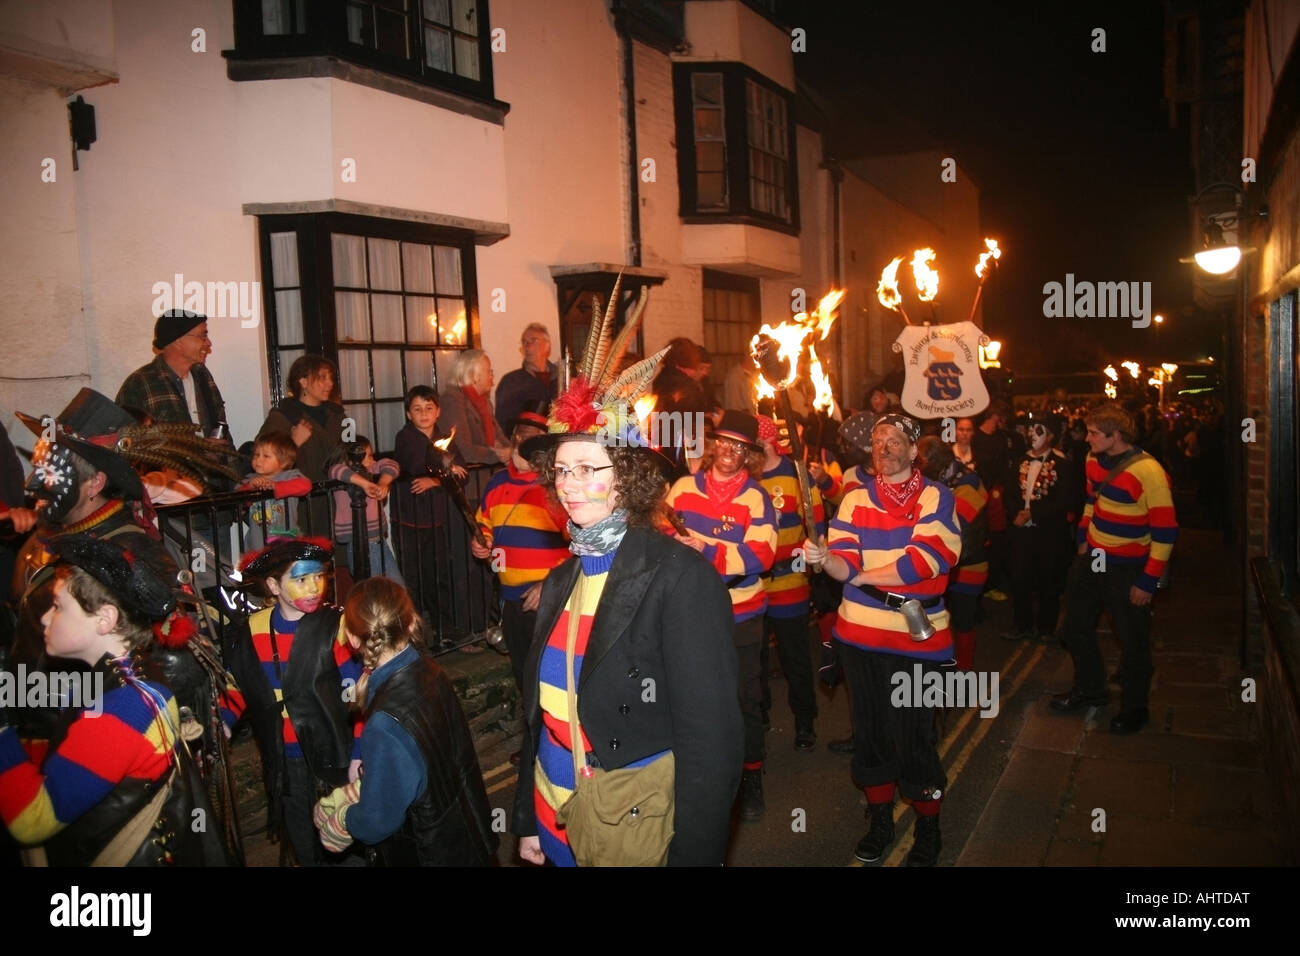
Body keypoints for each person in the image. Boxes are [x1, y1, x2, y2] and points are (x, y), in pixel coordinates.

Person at [511, 294, 742, 867]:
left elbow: (710, 741)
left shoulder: (679, 577)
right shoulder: (562, 578)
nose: (569, 483)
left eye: (588, 468)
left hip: (628, 824)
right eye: (562, 469)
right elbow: (541, 718)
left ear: (628, 479)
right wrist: (528, 818)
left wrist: (694, 856)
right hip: (556, 812)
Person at [0, 534, 222, 866]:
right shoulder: (125, 676)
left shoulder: (124, 707)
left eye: (59, 607)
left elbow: (32, 821)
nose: (45, 618)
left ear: (105, 619)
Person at [803, 413, 961, 867]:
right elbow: (842, 565)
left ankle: (929, 825)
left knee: (915, 737)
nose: (884, 447)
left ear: (915, 451)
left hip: (917, 643)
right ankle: (880, 820)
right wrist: (827, 559)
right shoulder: (853, 499)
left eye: (894, 441)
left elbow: (925, 561)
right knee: (870, 735)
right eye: (877, 441)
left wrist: (858, 575)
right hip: (859, 639)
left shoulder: (937, 497)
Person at [311, 577, 497, 865]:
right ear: (411, 624)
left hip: (429, 853)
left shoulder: (385, 724)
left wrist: (345, 817)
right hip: (466, 836)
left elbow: (377, 823)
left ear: (352, 638)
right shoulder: (430, 670)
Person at [220, 538, 364, 865]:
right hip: (284, 763)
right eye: (300, 580)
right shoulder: (253, 629)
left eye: (319, 577)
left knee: (344, 846)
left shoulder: (337, 625)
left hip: (334, 759)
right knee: (303, 844)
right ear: (274, 585)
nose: (314, 587)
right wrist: (223, 722)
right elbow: (240, 685)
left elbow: (359, 695)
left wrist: (358, 754)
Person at [666, 410, 777, 822]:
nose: (729, 452)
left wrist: (706, 551)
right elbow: (661, 535)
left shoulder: (756, 498)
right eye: (724, 442)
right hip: (690, 611)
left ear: (749, 455)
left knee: (743, 700)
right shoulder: (681, 488)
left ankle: (751, 778)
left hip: (741, 613)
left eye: (740, 447)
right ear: (712, 445)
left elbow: (761, 555)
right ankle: (695, 775)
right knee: (689, 697)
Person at [1052, 404, 1178, 735]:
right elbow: (1093, 501)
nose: (1086, 437)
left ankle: (1135, 709)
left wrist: (1148, 582)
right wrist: (1083, 539)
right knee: (1073, 627)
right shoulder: (1093, 459)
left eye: (1094, 433)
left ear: (1116, 436)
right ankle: (1091, 689)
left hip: (1130, 565)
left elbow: (1166, 531)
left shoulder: (1148, 471)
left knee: (1132, 640)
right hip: (1094, 556)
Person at [470, 410, 570, 695]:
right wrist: (481, 542)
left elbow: (579, 546)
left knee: (550, 678)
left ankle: (550, 735)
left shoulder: (556, 490)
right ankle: (532, 735)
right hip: (510, 600)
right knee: (523, 677)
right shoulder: (497, 482)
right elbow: (484, 523)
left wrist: (550, 584)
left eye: (530, 443)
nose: (522, 448)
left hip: (545, 600)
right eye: (519, 440)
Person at [756, 414, 824, 752]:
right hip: (752, 587)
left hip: (790, 583)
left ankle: (805, 721)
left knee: (794, 656)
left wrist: (811, 557)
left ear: (766, 442)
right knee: (756, 659)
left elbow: (819, 527)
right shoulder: (745, 478)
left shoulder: (796, 476)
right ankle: (760, 715)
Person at [391, 386, 466, 636]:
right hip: (411, 519)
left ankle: (445, 629)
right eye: (417, 409)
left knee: (440, 574)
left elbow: (462, 473)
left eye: (429, 408)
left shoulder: (446, 436)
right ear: (408, 414)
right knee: (414, 577)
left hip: (438, 518)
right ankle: (417, 632)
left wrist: (435, 481)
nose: (423, 414)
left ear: (438, 412)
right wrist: (445, 470)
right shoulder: (406, 437)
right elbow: (417, 464)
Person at [1005, 414, 1077, 644]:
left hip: (1049, 533)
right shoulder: (1018, 461)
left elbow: (1067, 499)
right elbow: (1008, 492)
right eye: (1030, 429)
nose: (1031, 434)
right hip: (1021, 531)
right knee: (1020, 579)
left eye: (1038, 430)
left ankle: (1046, 628)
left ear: (1051, 436)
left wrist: (1033, 513)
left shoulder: (1063, 464)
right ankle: (1022, 625)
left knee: (1049, 580)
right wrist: (1015, 513)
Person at [918, 437, 988, 672]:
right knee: (937, 618)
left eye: (922, 460)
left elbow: (958, 523)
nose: (918, 465)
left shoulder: (969, 481)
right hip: (943, 563)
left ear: (935, 460)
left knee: (963, 620)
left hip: (969, 565)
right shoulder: (936, 479)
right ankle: (942, 665)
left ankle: (964, 670)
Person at [258, 355, 347, 536]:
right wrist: (293, 443)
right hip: (301, 501)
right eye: (322, 378)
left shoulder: (338, 415)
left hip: (338, 498)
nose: (329, 383)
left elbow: (353, 447)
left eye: (331, 378)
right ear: (303, 382)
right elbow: (262, 460)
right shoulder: (283, 416)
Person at [116, 309, 229, 438]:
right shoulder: (139, 384)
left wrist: (222, 449)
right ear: (178, 340)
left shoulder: (203, 376)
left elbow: (222, 430)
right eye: (202, 336)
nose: (208, 343)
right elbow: (124, 442)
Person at [328, 437, 403, 584]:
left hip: (379, 541)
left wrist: (383, 483)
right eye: (368, 456)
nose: (372, 460)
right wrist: (365, 484)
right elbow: (336, 469)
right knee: (376, 589)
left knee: (396, 587)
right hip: (360, 544)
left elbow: (391, 464)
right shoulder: (343, 474)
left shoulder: (370, 469)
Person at [237, 431, 312, 548]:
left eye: (266, 456)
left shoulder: (289, 476)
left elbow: (305, 485)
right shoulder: (250, 479)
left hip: (286, 541)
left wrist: (275, 486)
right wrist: (250, 487)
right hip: (257, 544)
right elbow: (238, 498)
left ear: (284, 462)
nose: (259, 460)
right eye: (256, 455)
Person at [440, 349, 510, 465]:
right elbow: (464, 450)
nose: (492, 376)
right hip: (469, 475)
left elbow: (500, 437)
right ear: (475, 376)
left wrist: (511, 451)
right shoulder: (453, 400)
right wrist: (499, 454)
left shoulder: (484, 402)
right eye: (489, 371)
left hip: (486, 470)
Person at [494, 323, 559, 437]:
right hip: (526, 448)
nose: (527, 346)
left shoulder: (561, 379)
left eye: (533, 340)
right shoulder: (511, 382)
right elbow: (503, 424)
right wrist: (520, 431)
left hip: (560, 445)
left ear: (547, 346)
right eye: (524, 342)